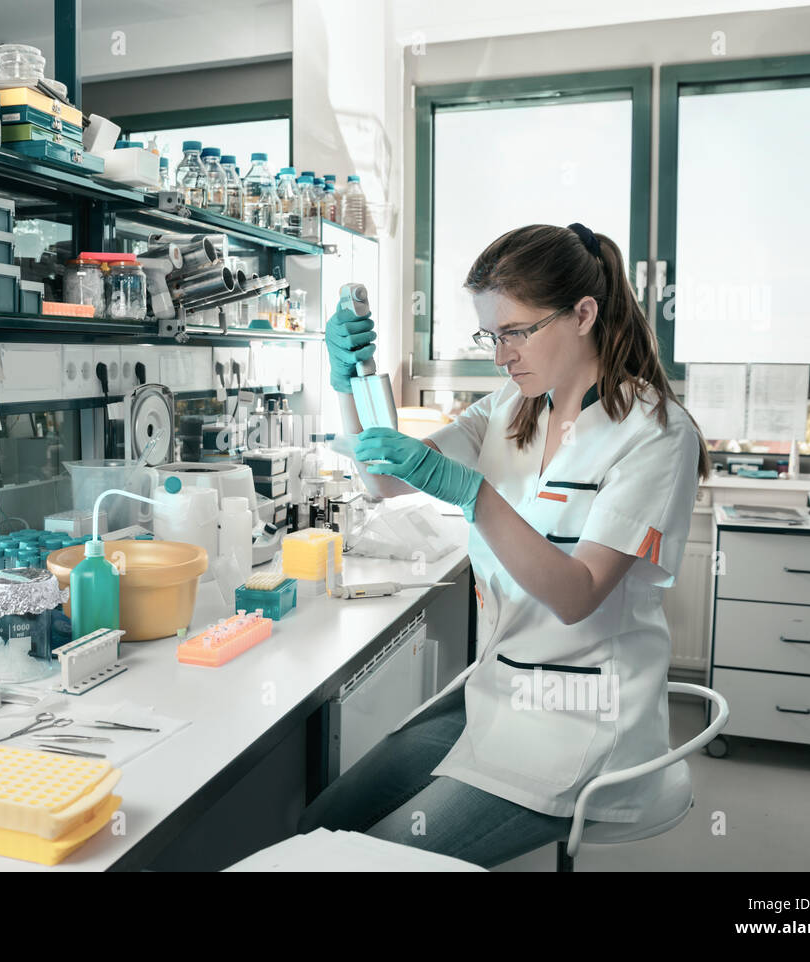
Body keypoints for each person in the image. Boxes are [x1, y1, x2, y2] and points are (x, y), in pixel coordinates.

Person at [298, 223, 711, 868]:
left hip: (582, 718)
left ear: (583, 314)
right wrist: (355, 384)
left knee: (373, 861)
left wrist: (475, 494)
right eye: (492, 335)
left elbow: (576, 595)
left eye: (515, 331)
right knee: (320, 829)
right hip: (496, 692)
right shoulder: (510, 410)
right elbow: (382, 479)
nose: (501, 353)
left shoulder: (655, 434)